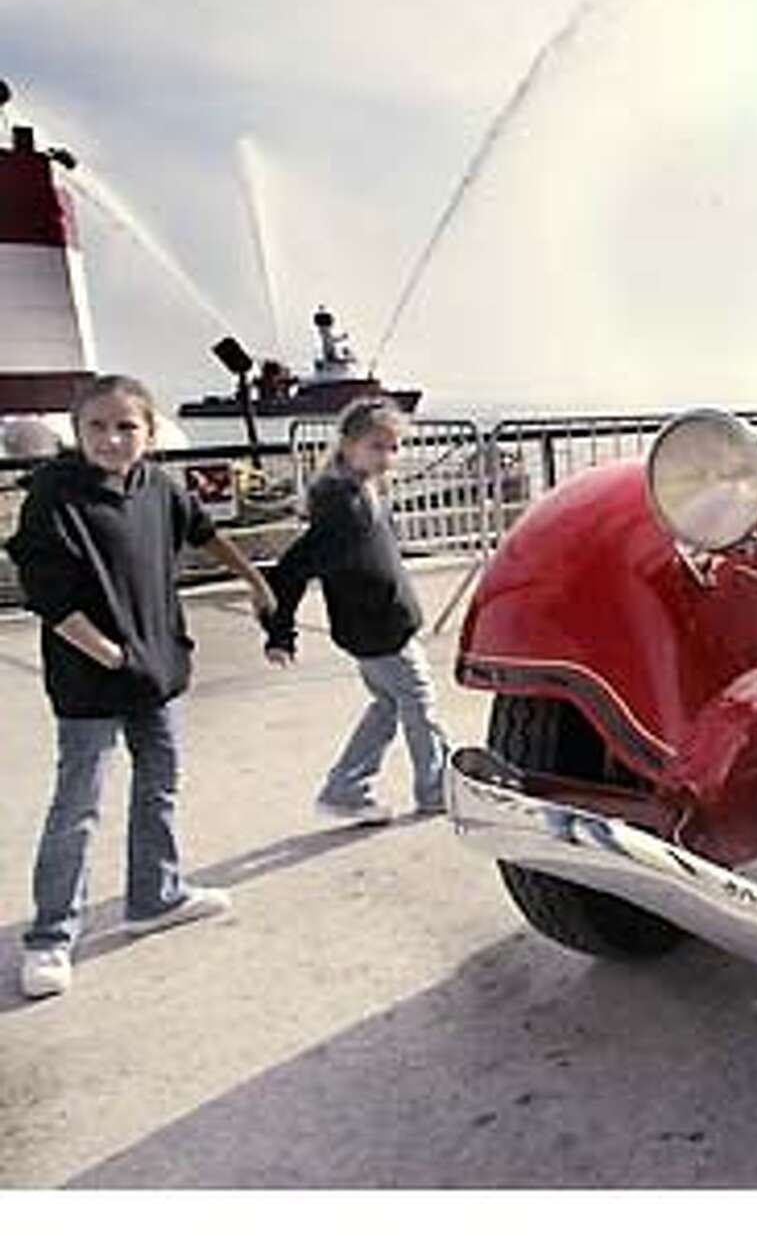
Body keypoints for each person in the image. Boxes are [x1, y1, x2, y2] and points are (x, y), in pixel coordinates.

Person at [4, 374, 277, 1000]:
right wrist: (111, 655)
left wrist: (258, 585)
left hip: (157, 672)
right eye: (96, 426)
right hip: (90, 682)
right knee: (78, 804)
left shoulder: (159, 486)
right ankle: (50, 937)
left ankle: (156, 895)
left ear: (149, 434)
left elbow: (207, 534)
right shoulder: (54, 495)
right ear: (77, 433)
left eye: (126, 426)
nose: (111, 438)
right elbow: (47, 594)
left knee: (161, 785)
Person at [260, 397, 448, 825]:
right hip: (378, 630)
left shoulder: (362, 489)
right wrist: (279, 632)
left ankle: (346, 787)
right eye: (377, 446)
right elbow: (290, 571)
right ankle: (433, 789)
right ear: (347, 445)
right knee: (418, 703)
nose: (388, 457)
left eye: (394, 447)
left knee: (388, 704)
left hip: (379, 625)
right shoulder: (341, 505)